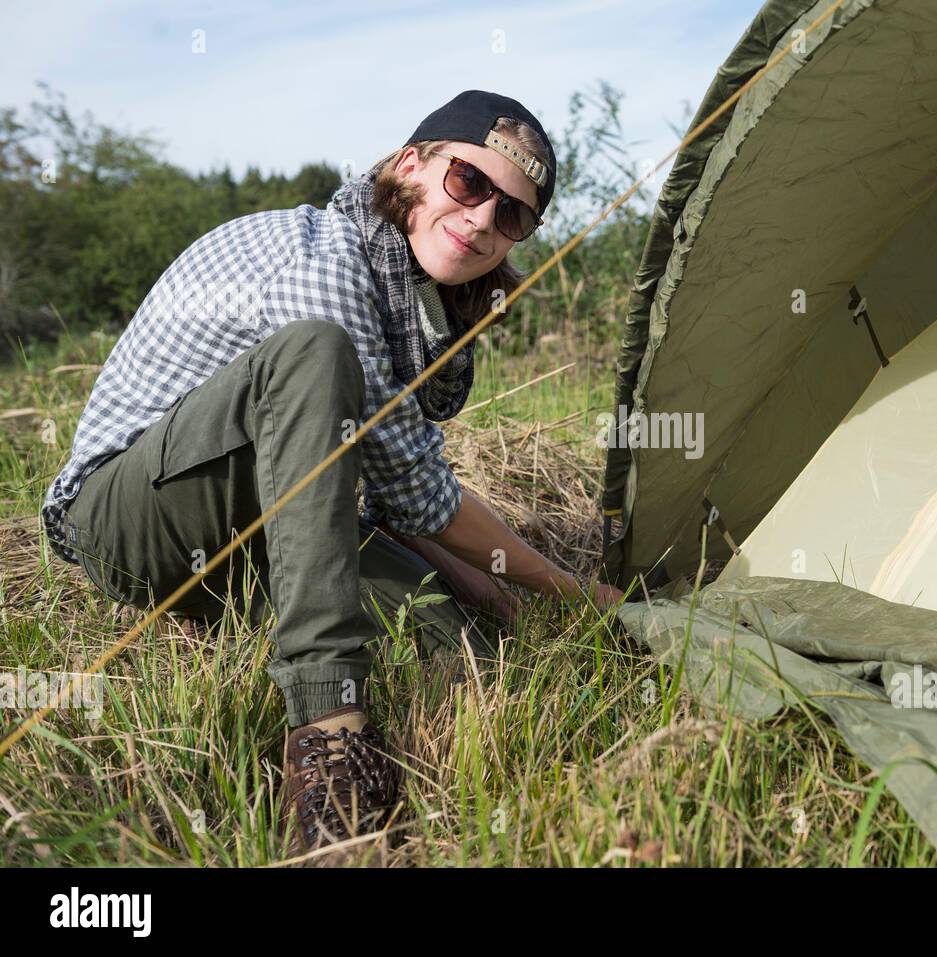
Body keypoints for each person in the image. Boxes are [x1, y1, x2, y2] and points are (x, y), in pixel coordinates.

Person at [40, 90, 624, 853]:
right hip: (130, 516)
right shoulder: (319, 257)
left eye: (511, 214)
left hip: (257, 521)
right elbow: (419, 492)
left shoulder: (413, 303)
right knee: (313, 349)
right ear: (410, 167)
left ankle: (312, 626)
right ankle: (329, 736)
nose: (484, 218)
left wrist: (486, 588)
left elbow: (390, 487)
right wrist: (579, 592)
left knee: (456, 645)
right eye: (469, 182)